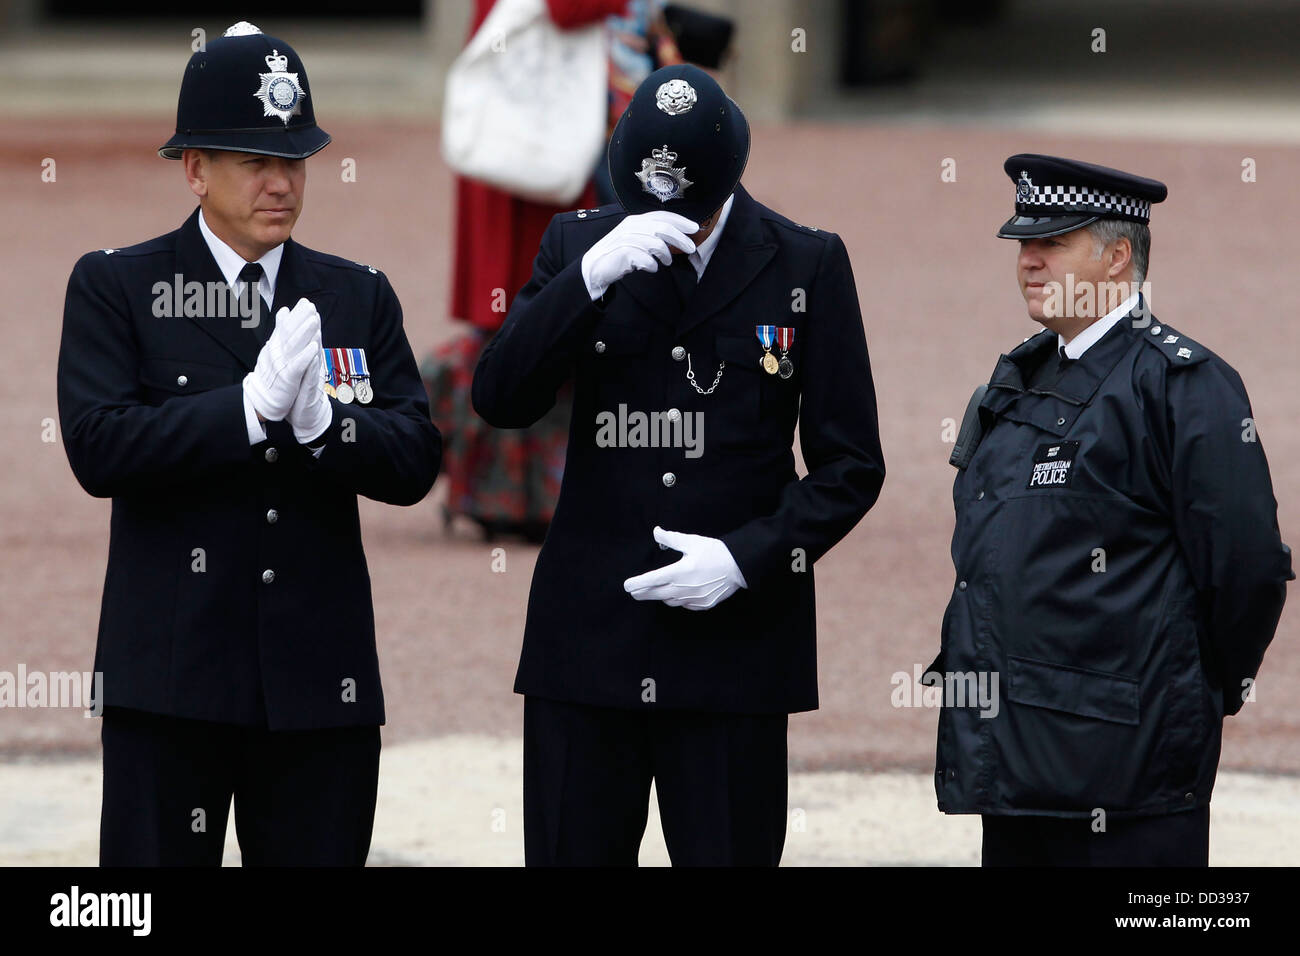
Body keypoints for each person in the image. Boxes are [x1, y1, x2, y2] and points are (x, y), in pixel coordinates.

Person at [473, 64, 885, 865]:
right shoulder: (580, 244)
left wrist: (746, 559)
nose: (673, 224)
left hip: (734, 650)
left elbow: (851, 465)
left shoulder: (806, 264)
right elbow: (500, 397)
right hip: (589, 645)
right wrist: (587, 280)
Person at [56, 22, 441, 866]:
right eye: (254, 161)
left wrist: (322, 427)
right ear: (195, 170)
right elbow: (98, 447)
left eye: (294, 160)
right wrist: (244, 410)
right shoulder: (119, 284)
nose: (282, 183)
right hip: (172, 682)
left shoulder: (354, 294)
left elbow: (416, 460)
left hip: (319, 685)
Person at [932, 153, 1293, 866]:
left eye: (1051, 244)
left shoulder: (1184, 387)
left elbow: (1246, 571)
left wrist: (1189, 688)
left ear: (1118, 256)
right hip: (1015, 769)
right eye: (1021, 245)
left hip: (1130, 777)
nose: (1027, 262)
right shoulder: (1017, 382)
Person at [427, 0, 644, 542]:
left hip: (527, 133)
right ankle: (521, 500)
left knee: (527, 330)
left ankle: (499, 494)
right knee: (543, 328)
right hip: (536, 148)